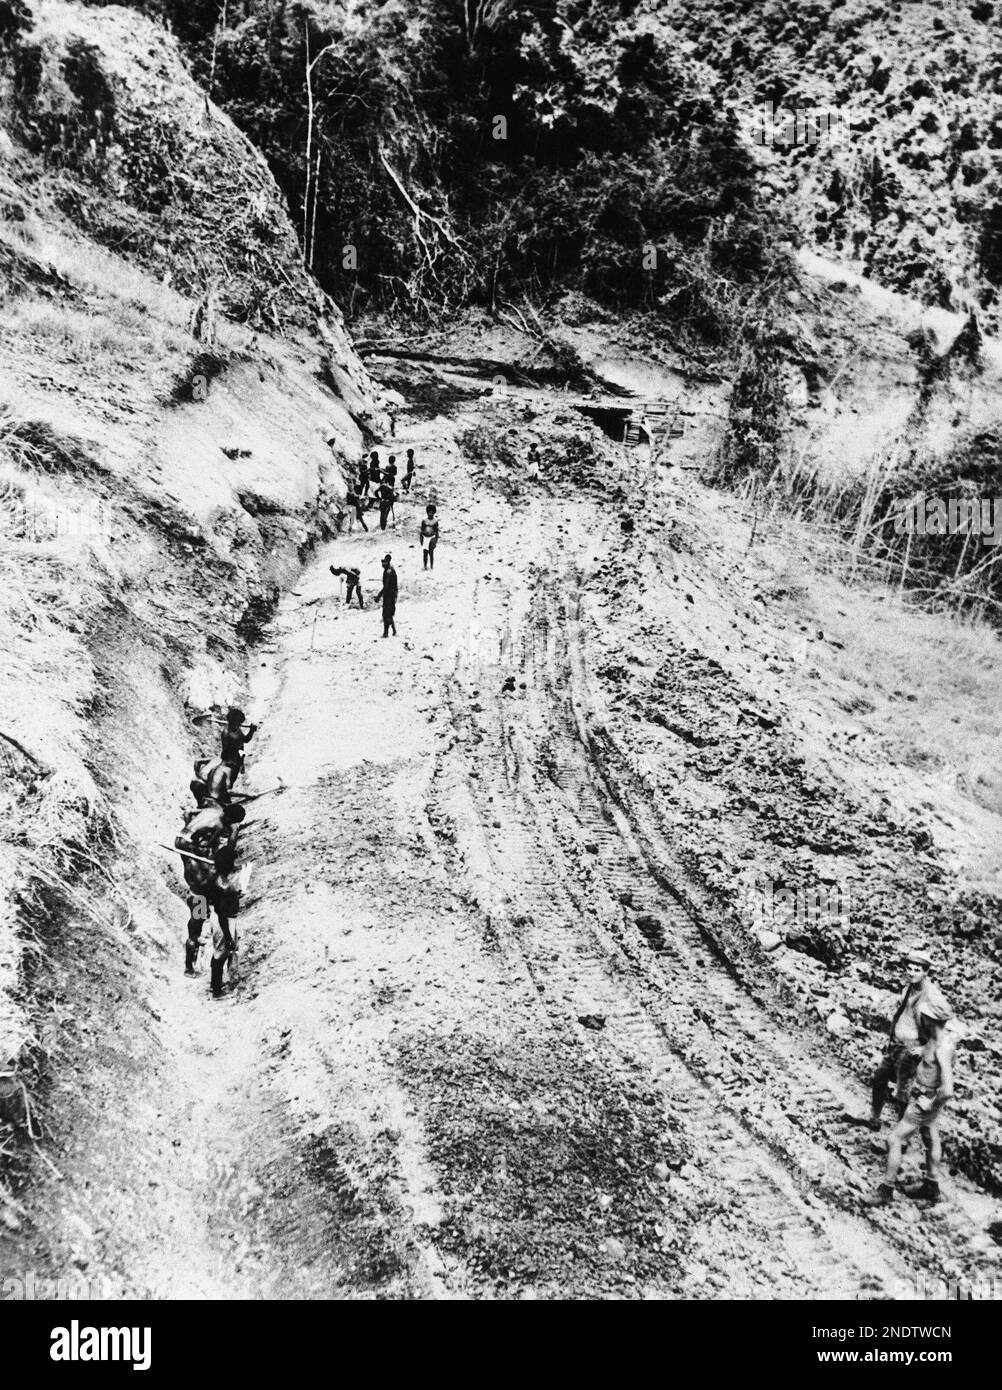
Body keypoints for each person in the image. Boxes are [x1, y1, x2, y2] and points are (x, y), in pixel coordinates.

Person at [843, 947, 953, 1131]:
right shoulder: (908, 989)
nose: (911, 973)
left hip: (911, 1049)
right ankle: (874, 1118)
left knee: (903, 1092)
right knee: (879, 1078)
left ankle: (900, 1134)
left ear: (926, 972)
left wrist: (925, 1048)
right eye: (909, 968)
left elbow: (944, 1031)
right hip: (895, 1045)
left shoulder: (933, 997)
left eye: (917, 970)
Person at [865, 1011, 957, 1206]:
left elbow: (948, 1090)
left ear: (932, 1020)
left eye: (924, 1017)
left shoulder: (942, 1047)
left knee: (894, 1138)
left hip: (925, 1099)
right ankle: (932, 1186)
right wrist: (923, 1051)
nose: (920, 1020)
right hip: (928, 1097)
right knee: (931, 1137)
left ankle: (886, 1189)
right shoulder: (940, 1040)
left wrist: (931, 1104)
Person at [206, 845, 243, 998]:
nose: (236, 863)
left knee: (222, 952)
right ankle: (216, 990)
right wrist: (228, 935)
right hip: (224, 922)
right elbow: (221, 914)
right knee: (221, 954)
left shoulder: (220, 880)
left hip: (226, 919)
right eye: (234, 861)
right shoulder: (222, 885)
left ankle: (217, 984)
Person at [220, 707, 257, 787]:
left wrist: (251, 731)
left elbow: (245, 740)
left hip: (238, 759)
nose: (240, 725)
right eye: (238, 723)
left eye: (240, 723)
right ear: (233, 722)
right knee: (229, 782)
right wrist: (237, 751)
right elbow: (226, 751)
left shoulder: (237, 729)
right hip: (229, 761)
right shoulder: (226, 733)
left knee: (233, 779)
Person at [374, 554, 398, 637]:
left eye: (384, 563)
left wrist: (379, 596)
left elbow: (386, 586)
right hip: (391, 594)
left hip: (389, 595)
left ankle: (386, 633)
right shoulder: (390, 569)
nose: (382, 565)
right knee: (389, 613)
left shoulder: (389, 571)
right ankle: (394, 631)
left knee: (386, 614)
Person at [420, 503, 439, 570]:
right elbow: (421, 530)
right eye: (429, 512)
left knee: (431, 552)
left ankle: (431, 566)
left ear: (434, 512)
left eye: (432, 512)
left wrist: (436, 540)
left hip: (432, 537)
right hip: (425, 537)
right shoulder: (424, 520)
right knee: (425, 553)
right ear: (427, 512)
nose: (430, 514)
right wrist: (421, 540)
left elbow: (437, 531)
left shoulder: (435, 521)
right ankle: (425, 565)